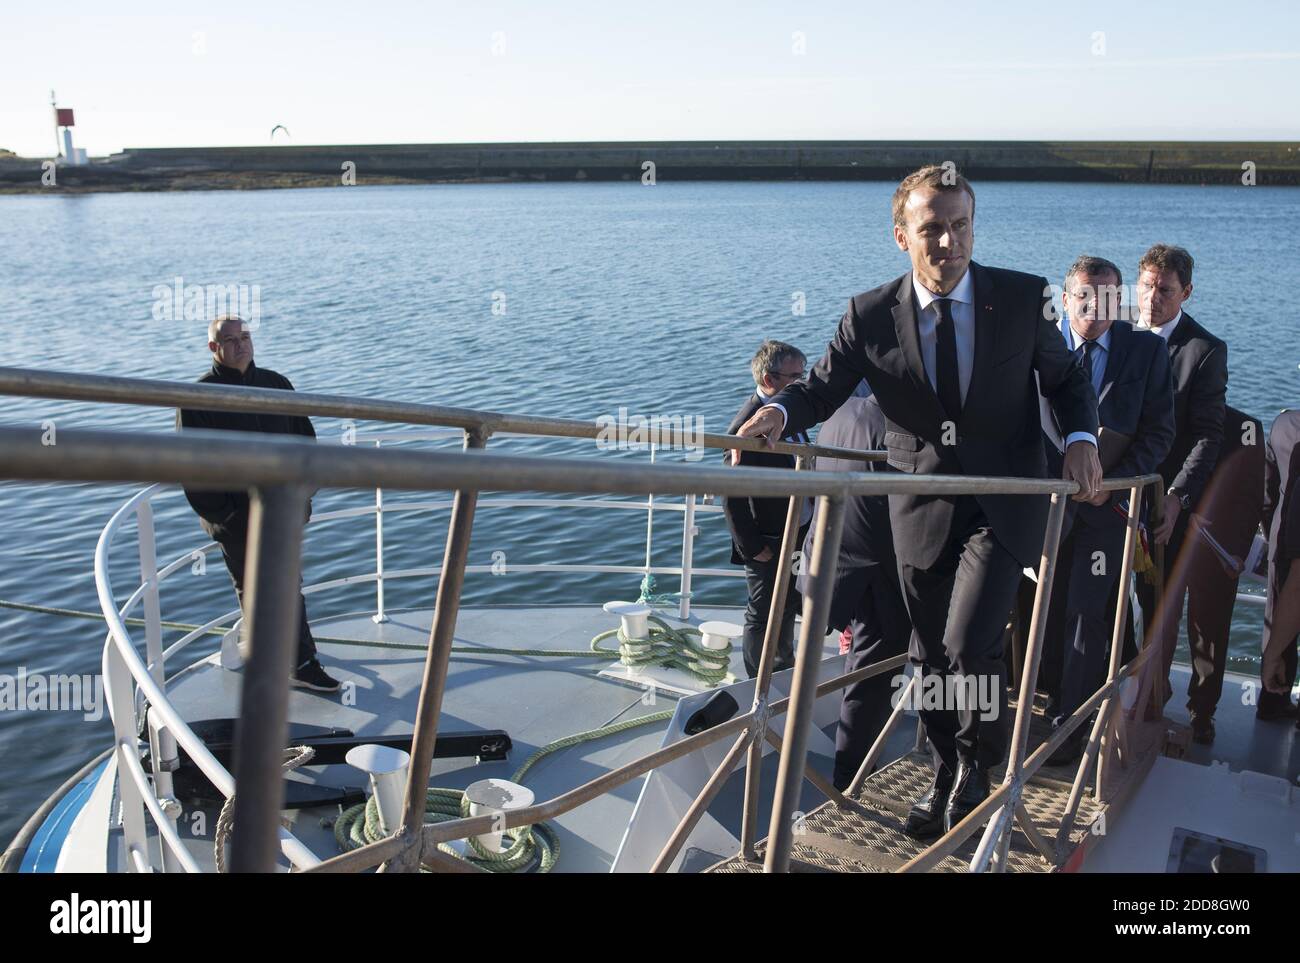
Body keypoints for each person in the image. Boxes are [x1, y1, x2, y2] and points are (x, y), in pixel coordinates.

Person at [736, 165, 1100, 838]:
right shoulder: (870, 315)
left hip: (1003, 499)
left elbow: (1068, 378)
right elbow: (820, 388)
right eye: (931, 228)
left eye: (960, 226)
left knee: (969, 639)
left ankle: (979, 766)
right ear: (901, 235)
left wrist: (1080, 438)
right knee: (930, 653)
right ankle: (942, 766)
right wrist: (781, 415)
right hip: (920, 504)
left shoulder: (1026, 298)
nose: (948, 242)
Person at [1035, 256, 1174, 765]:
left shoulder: (1146, 351)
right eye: (1085, 296)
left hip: (1107, 511)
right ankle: (1049, 698)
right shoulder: (1041, 350)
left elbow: (1159, 431)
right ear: (1065, 299)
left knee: (1088, 615)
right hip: (1044, 509)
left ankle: (1069, 725)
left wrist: (1109, 487)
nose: (1097, 306)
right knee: (1044, 611)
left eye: (1110, 297)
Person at [176, 315, 340, 692]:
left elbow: (306, 445)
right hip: (237, 518)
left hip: (283, 508)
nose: (240, 344)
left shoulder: (277, 385)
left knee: (282, 582)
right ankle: (298, 663)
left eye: (245, 336)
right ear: (213, 348)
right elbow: (192, 466)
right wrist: (228, 517)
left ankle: (287, 658)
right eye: (230, 339)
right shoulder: (199, 397)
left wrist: (302, 496)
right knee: (262, 585)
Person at [1131, 245, 1231, 722]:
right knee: (1105, 598)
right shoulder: (1117, 333)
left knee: (1161, 605)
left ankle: (1164, 702)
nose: (1152, 299)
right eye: (1146, 286)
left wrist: (1176, 498)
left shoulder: (1204, 351)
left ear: (1186, 293)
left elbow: (1209, 434)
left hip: (1167, 504)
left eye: (1165, 291)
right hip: (1113, 495)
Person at [796, 388, 912, 790]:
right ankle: (850, 778)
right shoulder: (899, 426)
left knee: (839, 662)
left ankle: (804, 764)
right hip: (878, 568)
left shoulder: (839, 412)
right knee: (872, 676)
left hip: (827, 555)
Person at [724, 340, 813, 678]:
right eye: (795, 378)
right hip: (769, 541)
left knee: (788, 603)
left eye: (802, 376)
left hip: (797, 533)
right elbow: (731, 492)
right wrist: (752, 547)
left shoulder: (786, 412)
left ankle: (783, 668)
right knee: (762, 612)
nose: (801, 384)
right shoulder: (745, 427)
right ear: (768, 379)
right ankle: (757, 681)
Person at [1260, 409, 1300, 721]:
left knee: (1278, 613)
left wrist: (1267, 529)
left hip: (1281, 535)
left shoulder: (1284, 424)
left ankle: (1272, 700)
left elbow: (1267, 490)